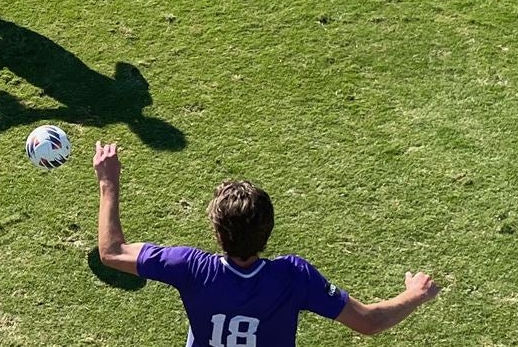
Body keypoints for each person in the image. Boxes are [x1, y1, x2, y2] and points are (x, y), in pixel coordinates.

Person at [92, 141, 440, 346]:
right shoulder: (294, 276)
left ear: (217, 234)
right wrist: (416, 294)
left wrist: (109, 182)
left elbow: (112, 252)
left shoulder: (190, 268)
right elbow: (369, 322)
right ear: (269, 229)